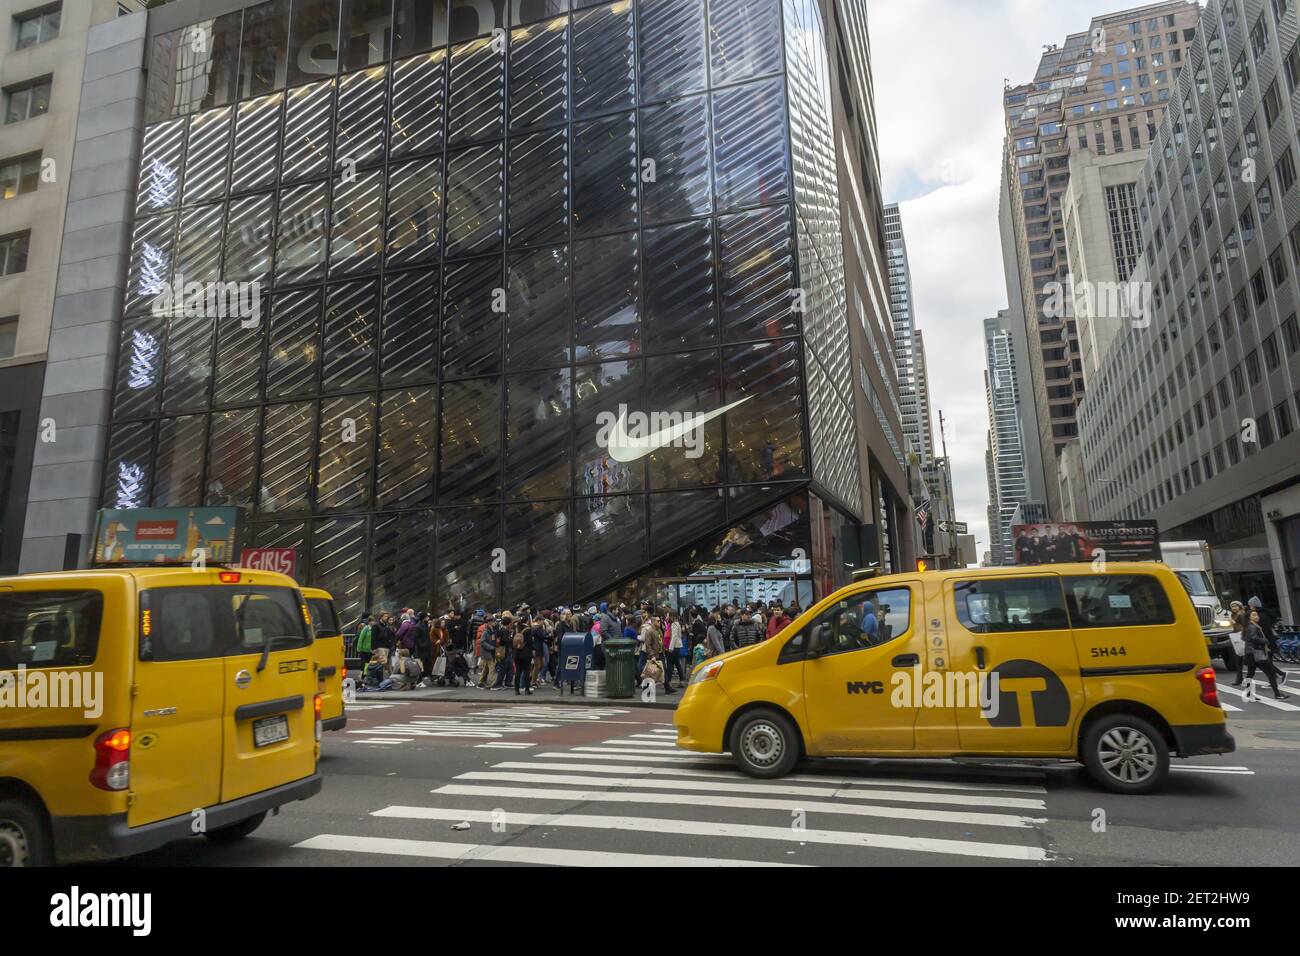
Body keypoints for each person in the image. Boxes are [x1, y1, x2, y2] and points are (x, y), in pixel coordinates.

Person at [1245, 608, 1289, 700]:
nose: (1256, 616)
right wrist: (1265, 640)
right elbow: (1253, 638)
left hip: (1251, 653)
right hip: (1257, 653)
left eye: (1256, 615)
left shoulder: (1253, 626)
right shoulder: (1252, 627)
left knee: (1250, 674)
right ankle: (1277, 694)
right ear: (1249, 617)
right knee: (1271, 674)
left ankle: (1249, 693)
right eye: (1253, 615)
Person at [511, 620, 534, 696]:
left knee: (517, 672)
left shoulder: (515, 628)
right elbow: (530, 641)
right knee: (527, 672)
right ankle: (527, 690)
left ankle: (516, 690)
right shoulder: (528, 629)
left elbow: (512, 640)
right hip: (526, 653)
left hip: (516, 653)